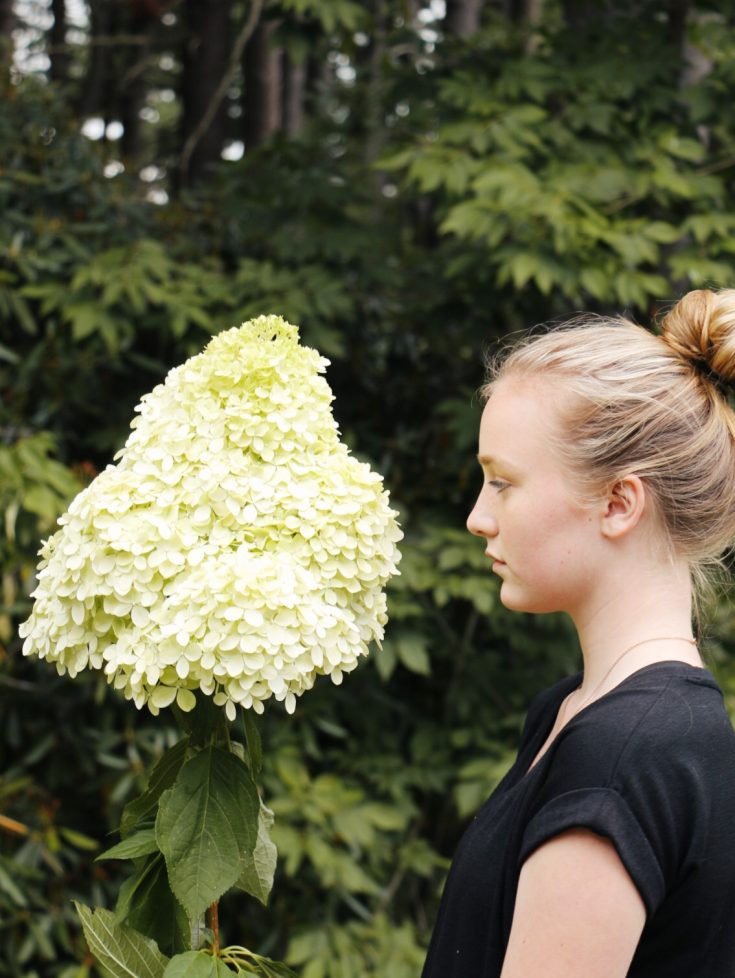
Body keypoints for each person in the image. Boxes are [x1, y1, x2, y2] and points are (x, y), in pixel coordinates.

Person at [421, 288, 735, 978]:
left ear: (619, 503)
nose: (477, 517)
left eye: (501, 483)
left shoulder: (621, 758)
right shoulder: (582, 716)